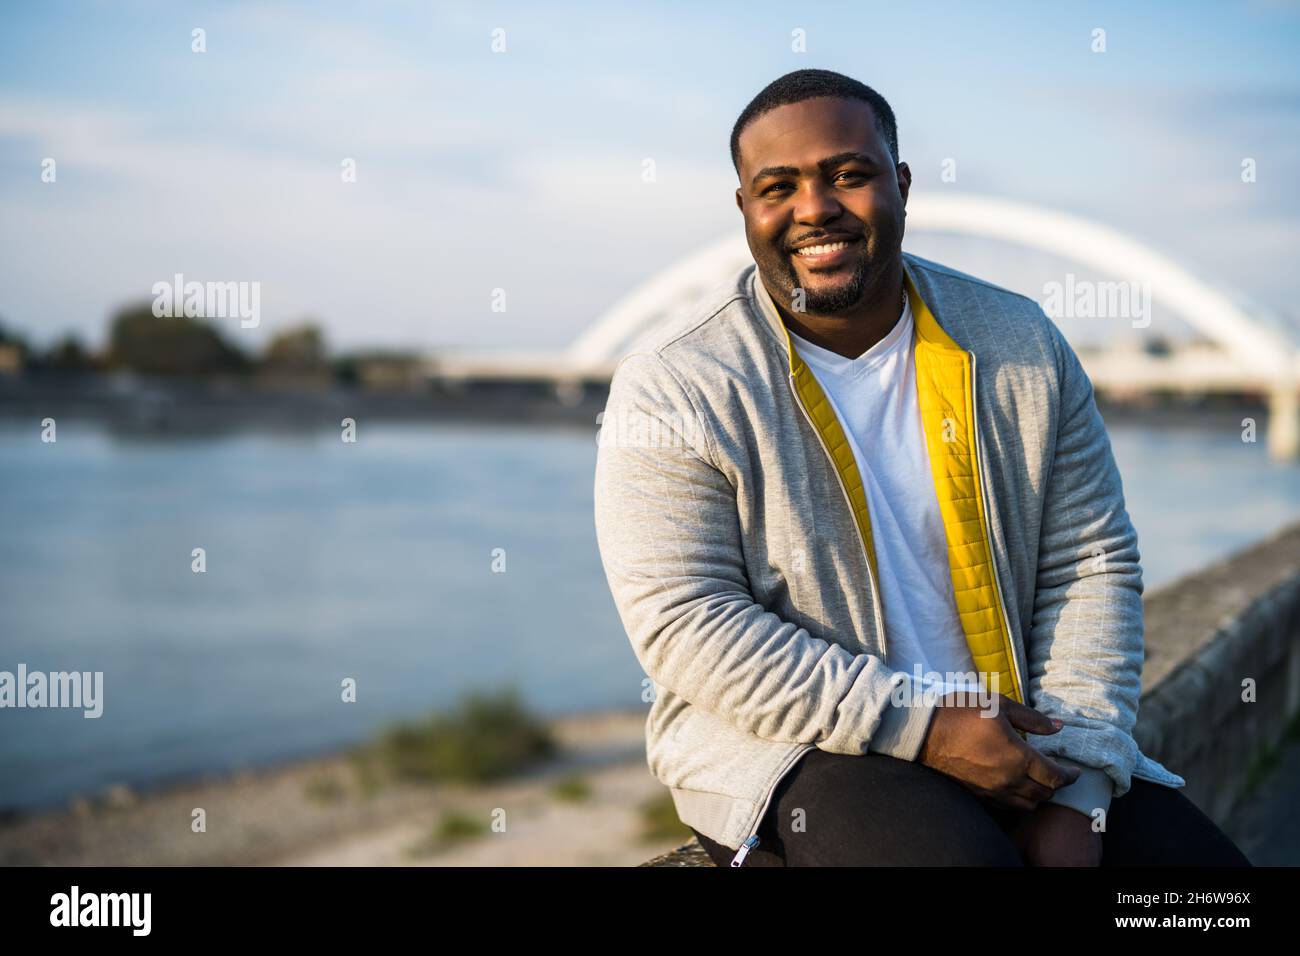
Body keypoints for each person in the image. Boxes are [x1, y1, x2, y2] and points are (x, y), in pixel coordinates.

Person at [592, 68, 1251, 866]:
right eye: (778, 187)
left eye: (848, 174)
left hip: (1023, 733)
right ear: (745, 209)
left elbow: (1091, 561)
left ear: (900, 184)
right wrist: (926, 726)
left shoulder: (1019, 342)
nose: (814, 209)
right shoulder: (676, 383)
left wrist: (1078, 779)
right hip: (800, 748)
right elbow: (687, 621)